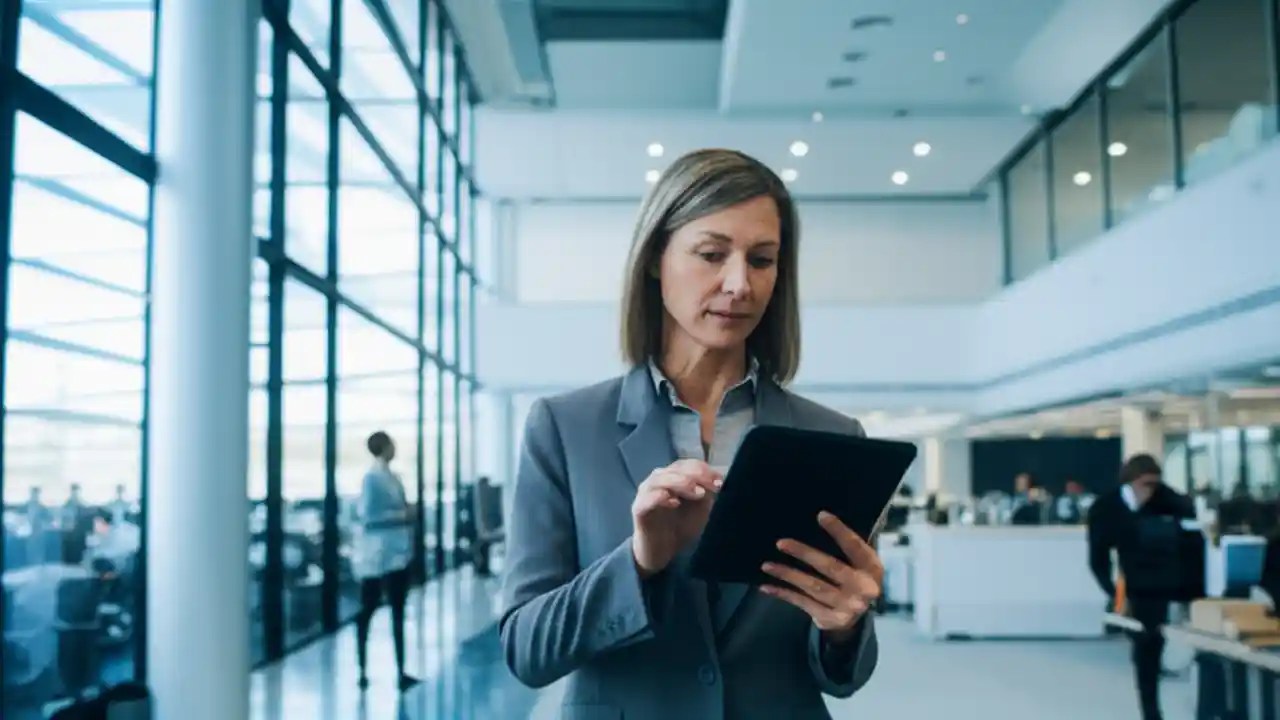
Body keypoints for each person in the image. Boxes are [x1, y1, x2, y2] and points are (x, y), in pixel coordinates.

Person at [500, 149, 882, 719]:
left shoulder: (833, 438)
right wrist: (639, 561)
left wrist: (847, 626)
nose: (739, 284)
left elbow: (841, 674)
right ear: (656, 256)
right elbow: (527, 650)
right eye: (711, 254)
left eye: (762, 260)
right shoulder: (564, 428)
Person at [1087, 454, 1194, 720]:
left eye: (1155, 484)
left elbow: (1190, 533)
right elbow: (1098, 558)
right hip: (1136, 586)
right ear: (1131, 481)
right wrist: (1114, 594)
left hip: (1170, 580)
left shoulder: (1168, 501)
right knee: (1146, 646)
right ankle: (1151, 710)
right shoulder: (1106, 508)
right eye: (1146, 484)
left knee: (1168, 643)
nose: (1151, 490)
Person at [353, 431, 419, 692]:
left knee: (398, 612)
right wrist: (402, 516)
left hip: (397, 555)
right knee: (368, 611)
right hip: (377, 557)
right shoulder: (372, 479)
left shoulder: (393, 477)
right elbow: (368, 517)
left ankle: (401, 671)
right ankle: (363, 670)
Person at [470, 476, 504, 577]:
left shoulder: (480, 498)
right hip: (485, 529)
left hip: (485, 528)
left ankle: (482, 568)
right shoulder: (485, 497)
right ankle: (482, 568)